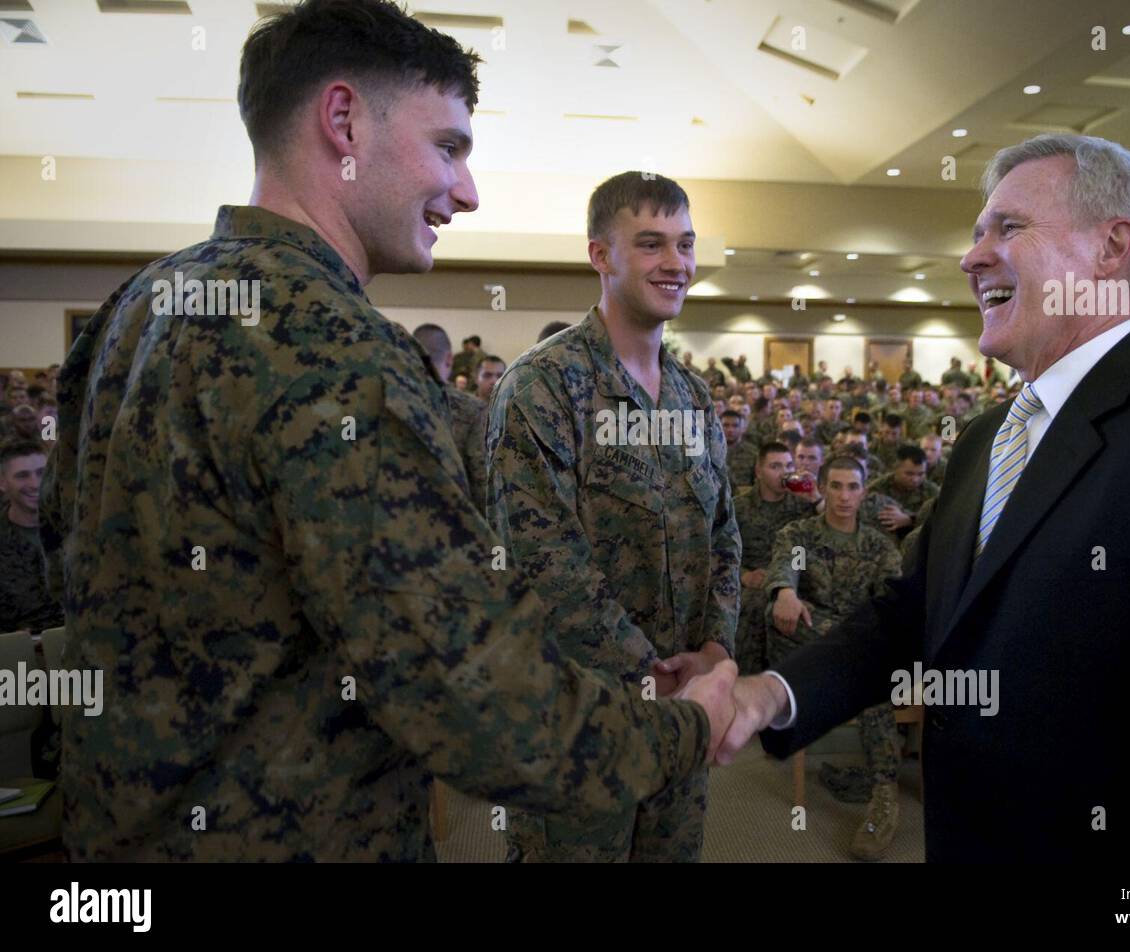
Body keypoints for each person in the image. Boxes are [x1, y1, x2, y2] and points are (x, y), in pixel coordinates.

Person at [41, 0, 735, 863]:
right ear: (344, 123)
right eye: (448, 147)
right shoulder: (339, 351)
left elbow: (70, 562)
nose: (468, 192)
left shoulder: (136, 308)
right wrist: (685, 727)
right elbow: (477, 696)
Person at [717, 133, 1130, 862]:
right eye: (977, 233)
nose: (972, 257)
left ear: (1112, 247)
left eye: (1009, 227)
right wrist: (771, 694)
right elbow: (915, 612)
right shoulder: (987, 436)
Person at [486, 170, 740, 862]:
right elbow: (544, 564)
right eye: (651, 244)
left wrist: (716, 650)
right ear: (601, 255)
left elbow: (725, 533)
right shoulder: (543, 387)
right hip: (579, 718)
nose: (676, 262)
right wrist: (649, 671)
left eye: (686, 244)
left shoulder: (693, 397)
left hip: (683, 712)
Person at [763, 455, 902, 858]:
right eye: (836, 486)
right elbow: (786, 566)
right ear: (822, 488)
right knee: (781, 615)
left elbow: (891, 602)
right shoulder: (801, 534)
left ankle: (884, 794)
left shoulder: (879, 546)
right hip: (814, 639)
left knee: (873, 665)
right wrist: (785, 592)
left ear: (864, 492)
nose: (844, 496)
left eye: (852, 487)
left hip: (860, 640)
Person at [731, 443, 813, 675]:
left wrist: (816, 498)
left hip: (794, 582)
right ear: (759, 471)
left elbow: (805, 552)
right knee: (752, 608)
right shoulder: (738, 508)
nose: (784, 473)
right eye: (775, 466)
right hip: (752, 584)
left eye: (788, 466)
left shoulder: (803, 506)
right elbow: (719, 553)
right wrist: (744, 575)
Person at [413, 323, 488, 513]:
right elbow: (481, 479)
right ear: (449, 359)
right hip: (454, 518)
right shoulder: (472, 409)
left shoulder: (390, 399)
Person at [0, 440, 63, 633]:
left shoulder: (78, 526)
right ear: (2, 483)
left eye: (41, 473)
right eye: (22, 476)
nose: (35, 484)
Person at [722, 409, 757, 489]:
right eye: (726, 425)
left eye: (735, 426)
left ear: (743, 428)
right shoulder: (711, 453)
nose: (730, 430)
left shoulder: (753, 453)